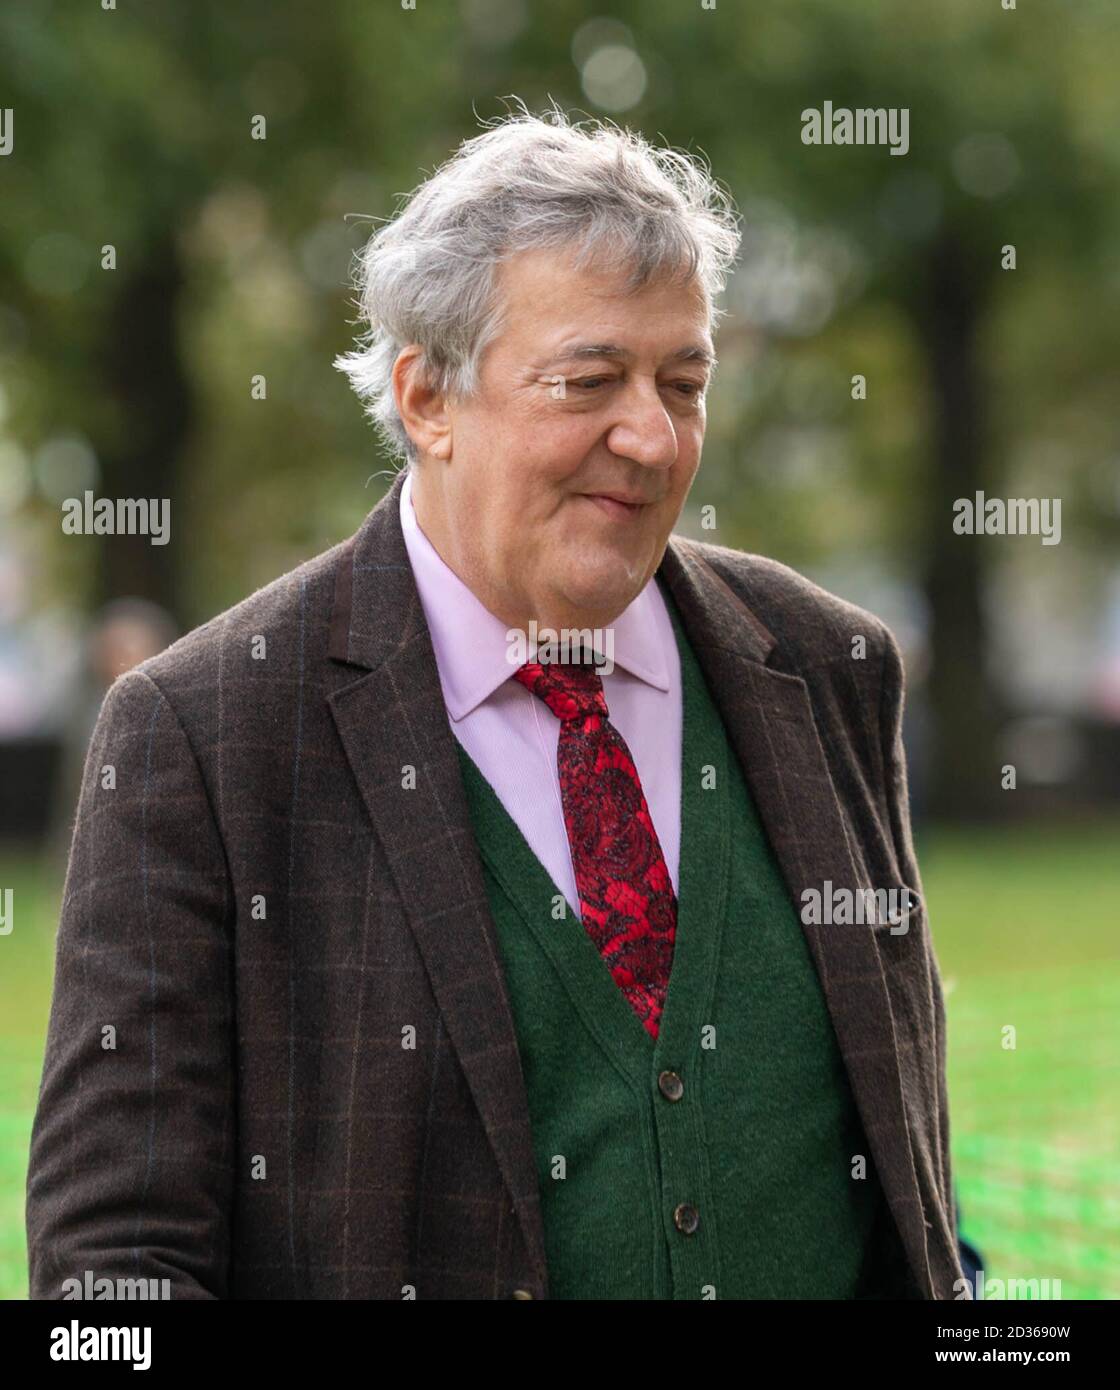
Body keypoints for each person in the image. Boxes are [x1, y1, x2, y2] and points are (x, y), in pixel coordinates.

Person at [26, 101, 967, 1300]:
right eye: (587, 380)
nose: (651, 435)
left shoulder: (830, 665)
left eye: (683, 382)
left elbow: (909, 1182)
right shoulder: (201, 734)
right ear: (427, 399)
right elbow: (111, 1277)